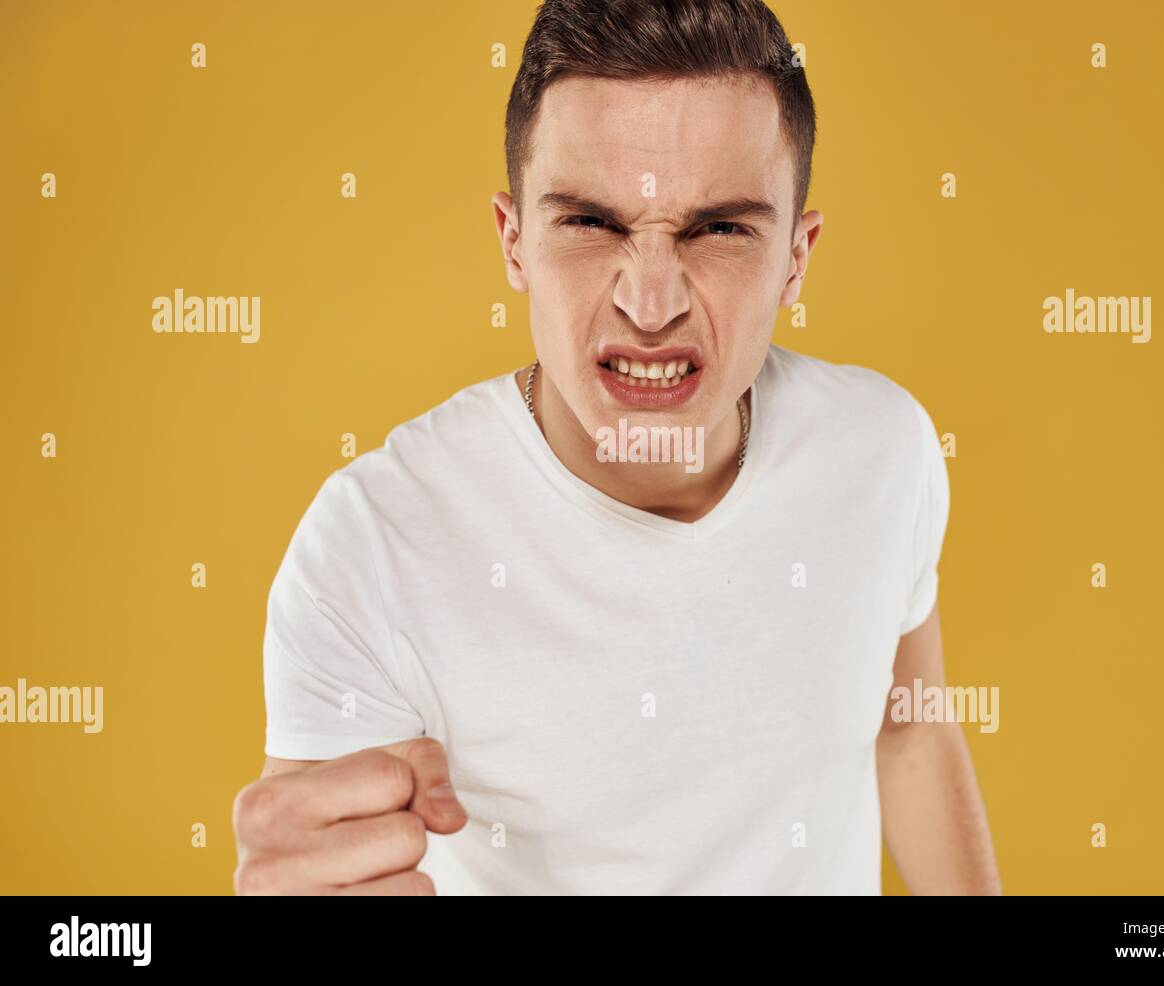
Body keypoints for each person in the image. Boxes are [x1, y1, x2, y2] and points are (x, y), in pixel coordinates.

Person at [233, 0, 1001, 895]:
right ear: (514, 241)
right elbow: (322, 850)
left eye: (719, 229)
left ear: (797, 255)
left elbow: (906, 728)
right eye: (592, 225)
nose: (650, 303)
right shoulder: (373, 543)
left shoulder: (884, 450)